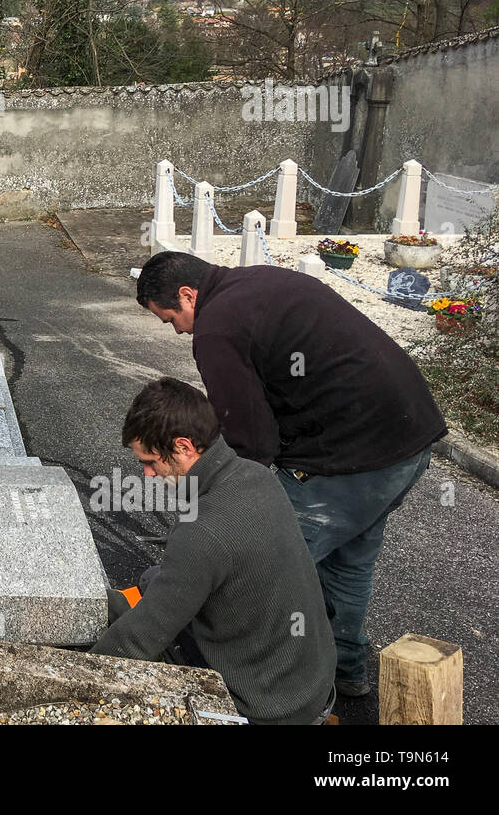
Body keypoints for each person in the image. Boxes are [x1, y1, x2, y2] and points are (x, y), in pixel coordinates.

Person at [135, 250, 445, 696]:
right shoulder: (263, 281)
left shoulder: (216, 327)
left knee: (258, 564)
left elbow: (253, 442)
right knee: (349, 562)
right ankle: (345, 671)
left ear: (188, 294)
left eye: (171, 319)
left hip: (349, 455)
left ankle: (266, 688)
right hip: (408, 439)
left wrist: (218, 513)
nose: (181, 330)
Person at [92, 378, 336, 725]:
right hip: (310, 682)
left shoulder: (202, 531)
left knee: (135, 676)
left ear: (183, 447)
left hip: (266, 708)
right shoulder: (256, 476)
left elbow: (139, 640)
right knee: (153, 577)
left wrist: (76, 677)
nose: (147, 475)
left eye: (150, 461)